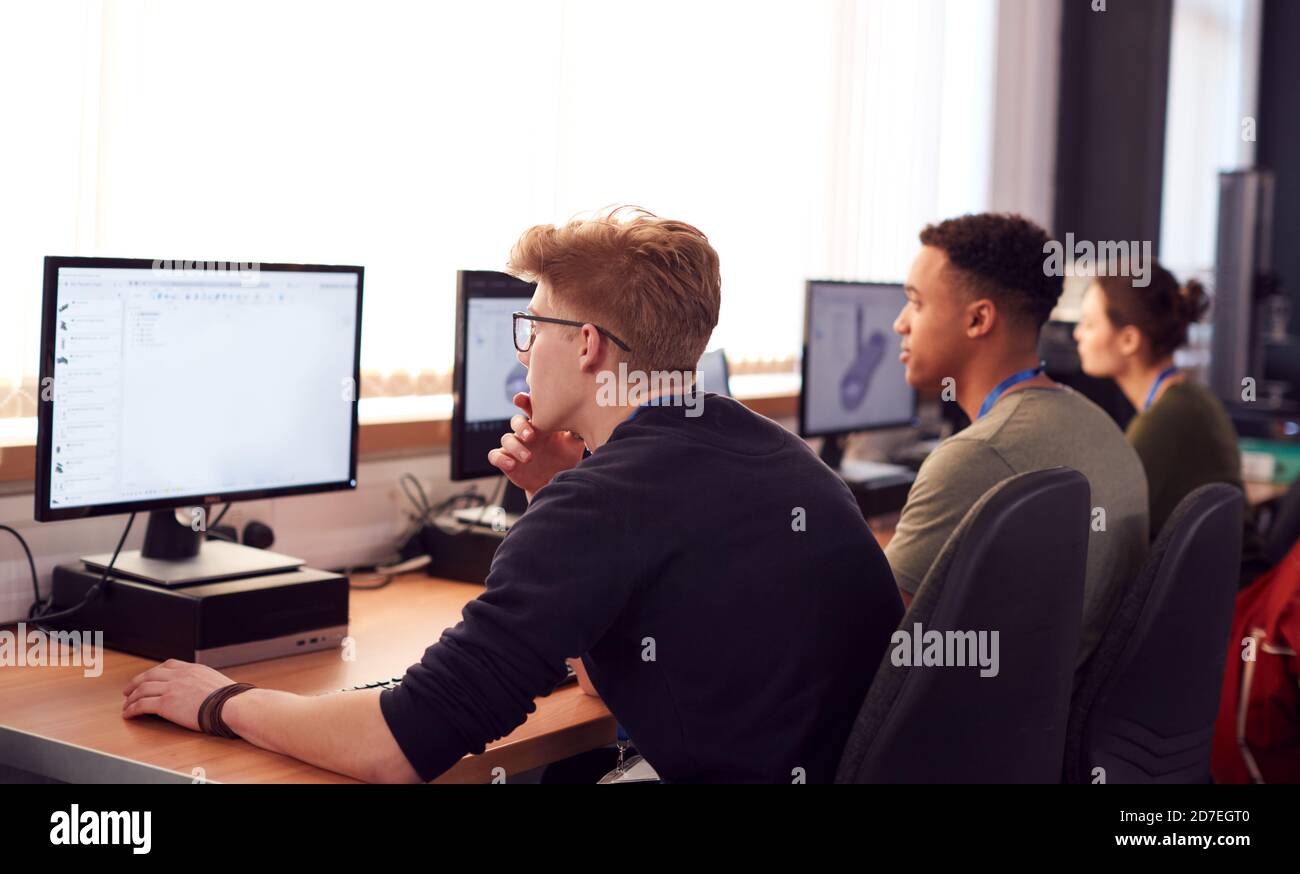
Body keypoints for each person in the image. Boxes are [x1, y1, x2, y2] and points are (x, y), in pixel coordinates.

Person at [122, 207, 903, 783]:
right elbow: (632, 662)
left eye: (533, 326)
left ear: (588, 344)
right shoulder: (782, 460)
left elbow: (400, 746)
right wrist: (563, 491)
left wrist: (223, 701)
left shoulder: (604, 506)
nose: (525, 352)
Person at [884, 213, 1148, 668]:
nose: (900, 324)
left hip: (976, 731)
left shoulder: (975, 457)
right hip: (1054, 722)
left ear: (979, 319)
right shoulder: (1100, 425)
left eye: (917, 303)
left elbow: (876, 636)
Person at [1073, 264, 1263, 570]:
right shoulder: (1190, 398)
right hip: (1226, 590)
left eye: (1089, 324)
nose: (1077, 334)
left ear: (1129, 340)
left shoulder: (1167, 419)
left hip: (1228, 603)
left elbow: (1100, 527)